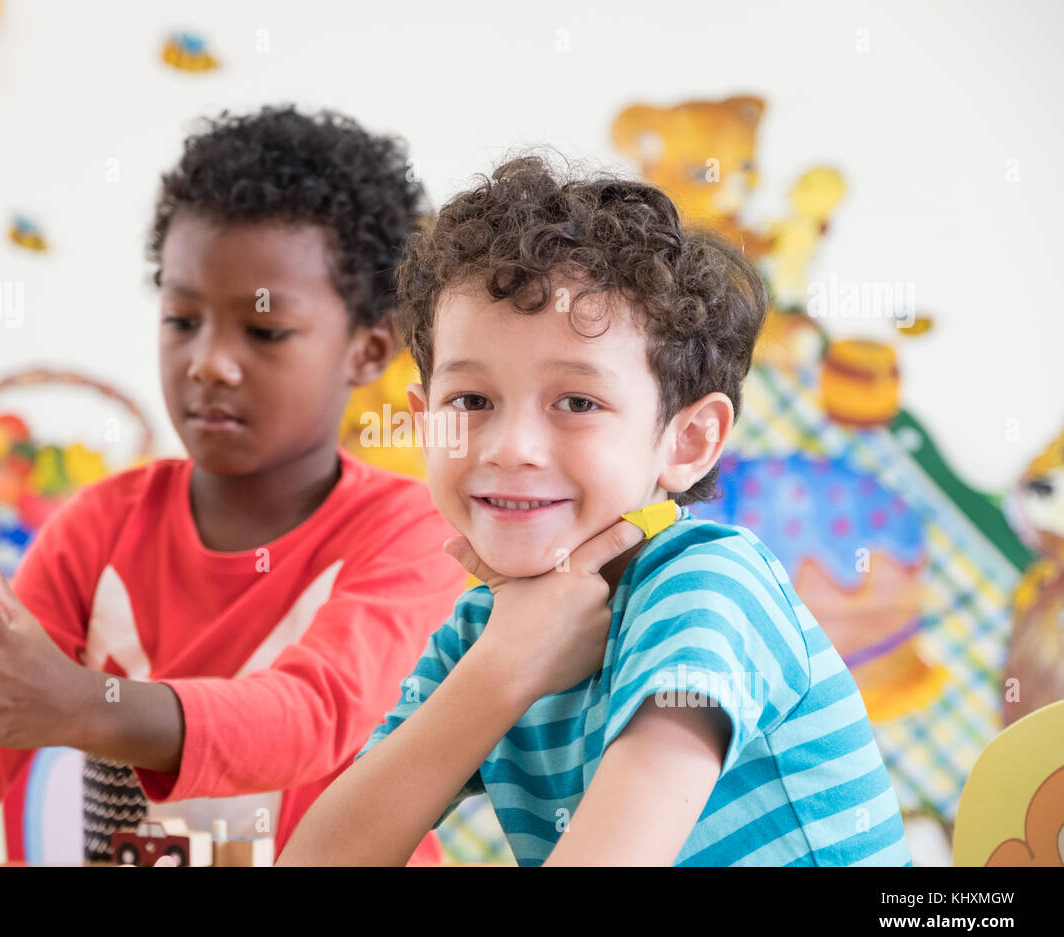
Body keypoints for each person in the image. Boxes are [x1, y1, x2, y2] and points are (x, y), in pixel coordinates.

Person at [0, 105, 468, 864]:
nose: (209, 361)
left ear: (369, 349)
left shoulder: (412, 534)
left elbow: (314, 717)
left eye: (265, 331)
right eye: (183, 320)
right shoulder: (97, 526)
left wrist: (87, 706)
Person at [278, 153, 913, 866]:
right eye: (472, 401)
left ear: (689, 439)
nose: (511, 447)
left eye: (577, 403)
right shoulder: (487, 631)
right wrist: (504, 667)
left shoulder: (708, 587)